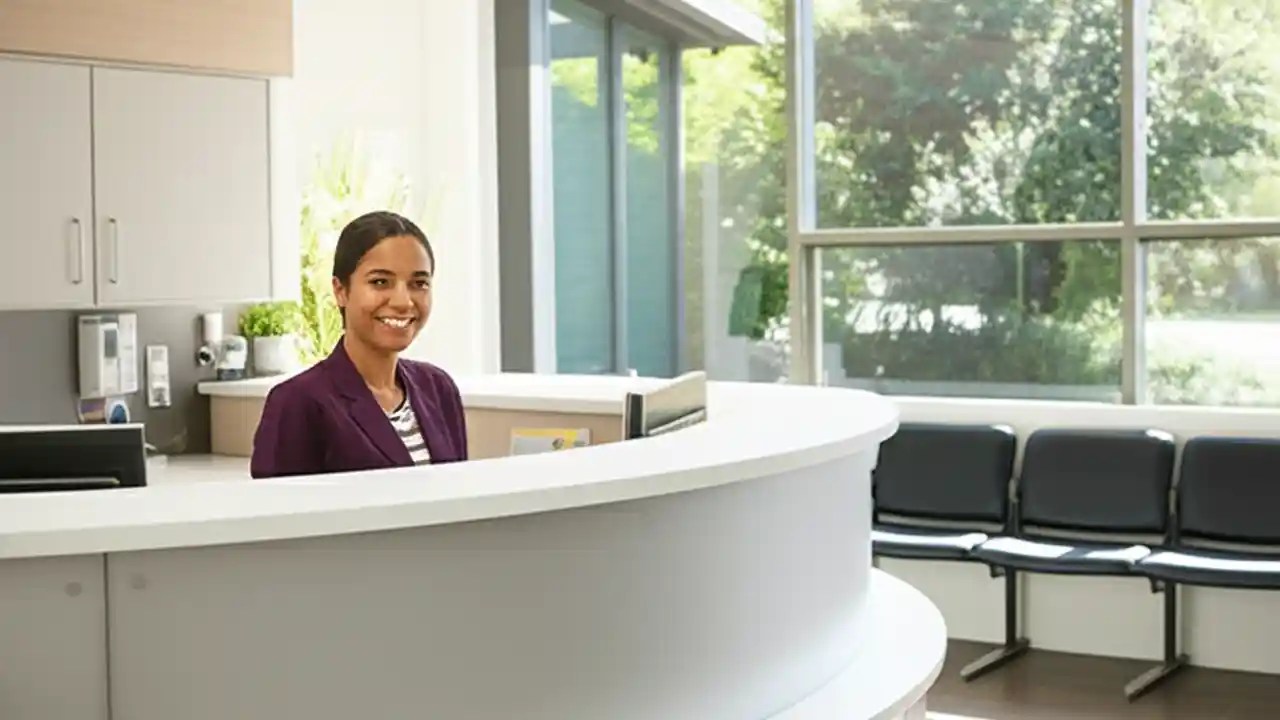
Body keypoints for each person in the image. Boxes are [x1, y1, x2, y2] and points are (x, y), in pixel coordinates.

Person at [250, 210, 467, 478]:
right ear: (341, 290)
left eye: (419, 283)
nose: (403, 301)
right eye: (380, 282)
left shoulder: (438, 389)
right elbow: (278, 515)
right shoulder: (298, 403)